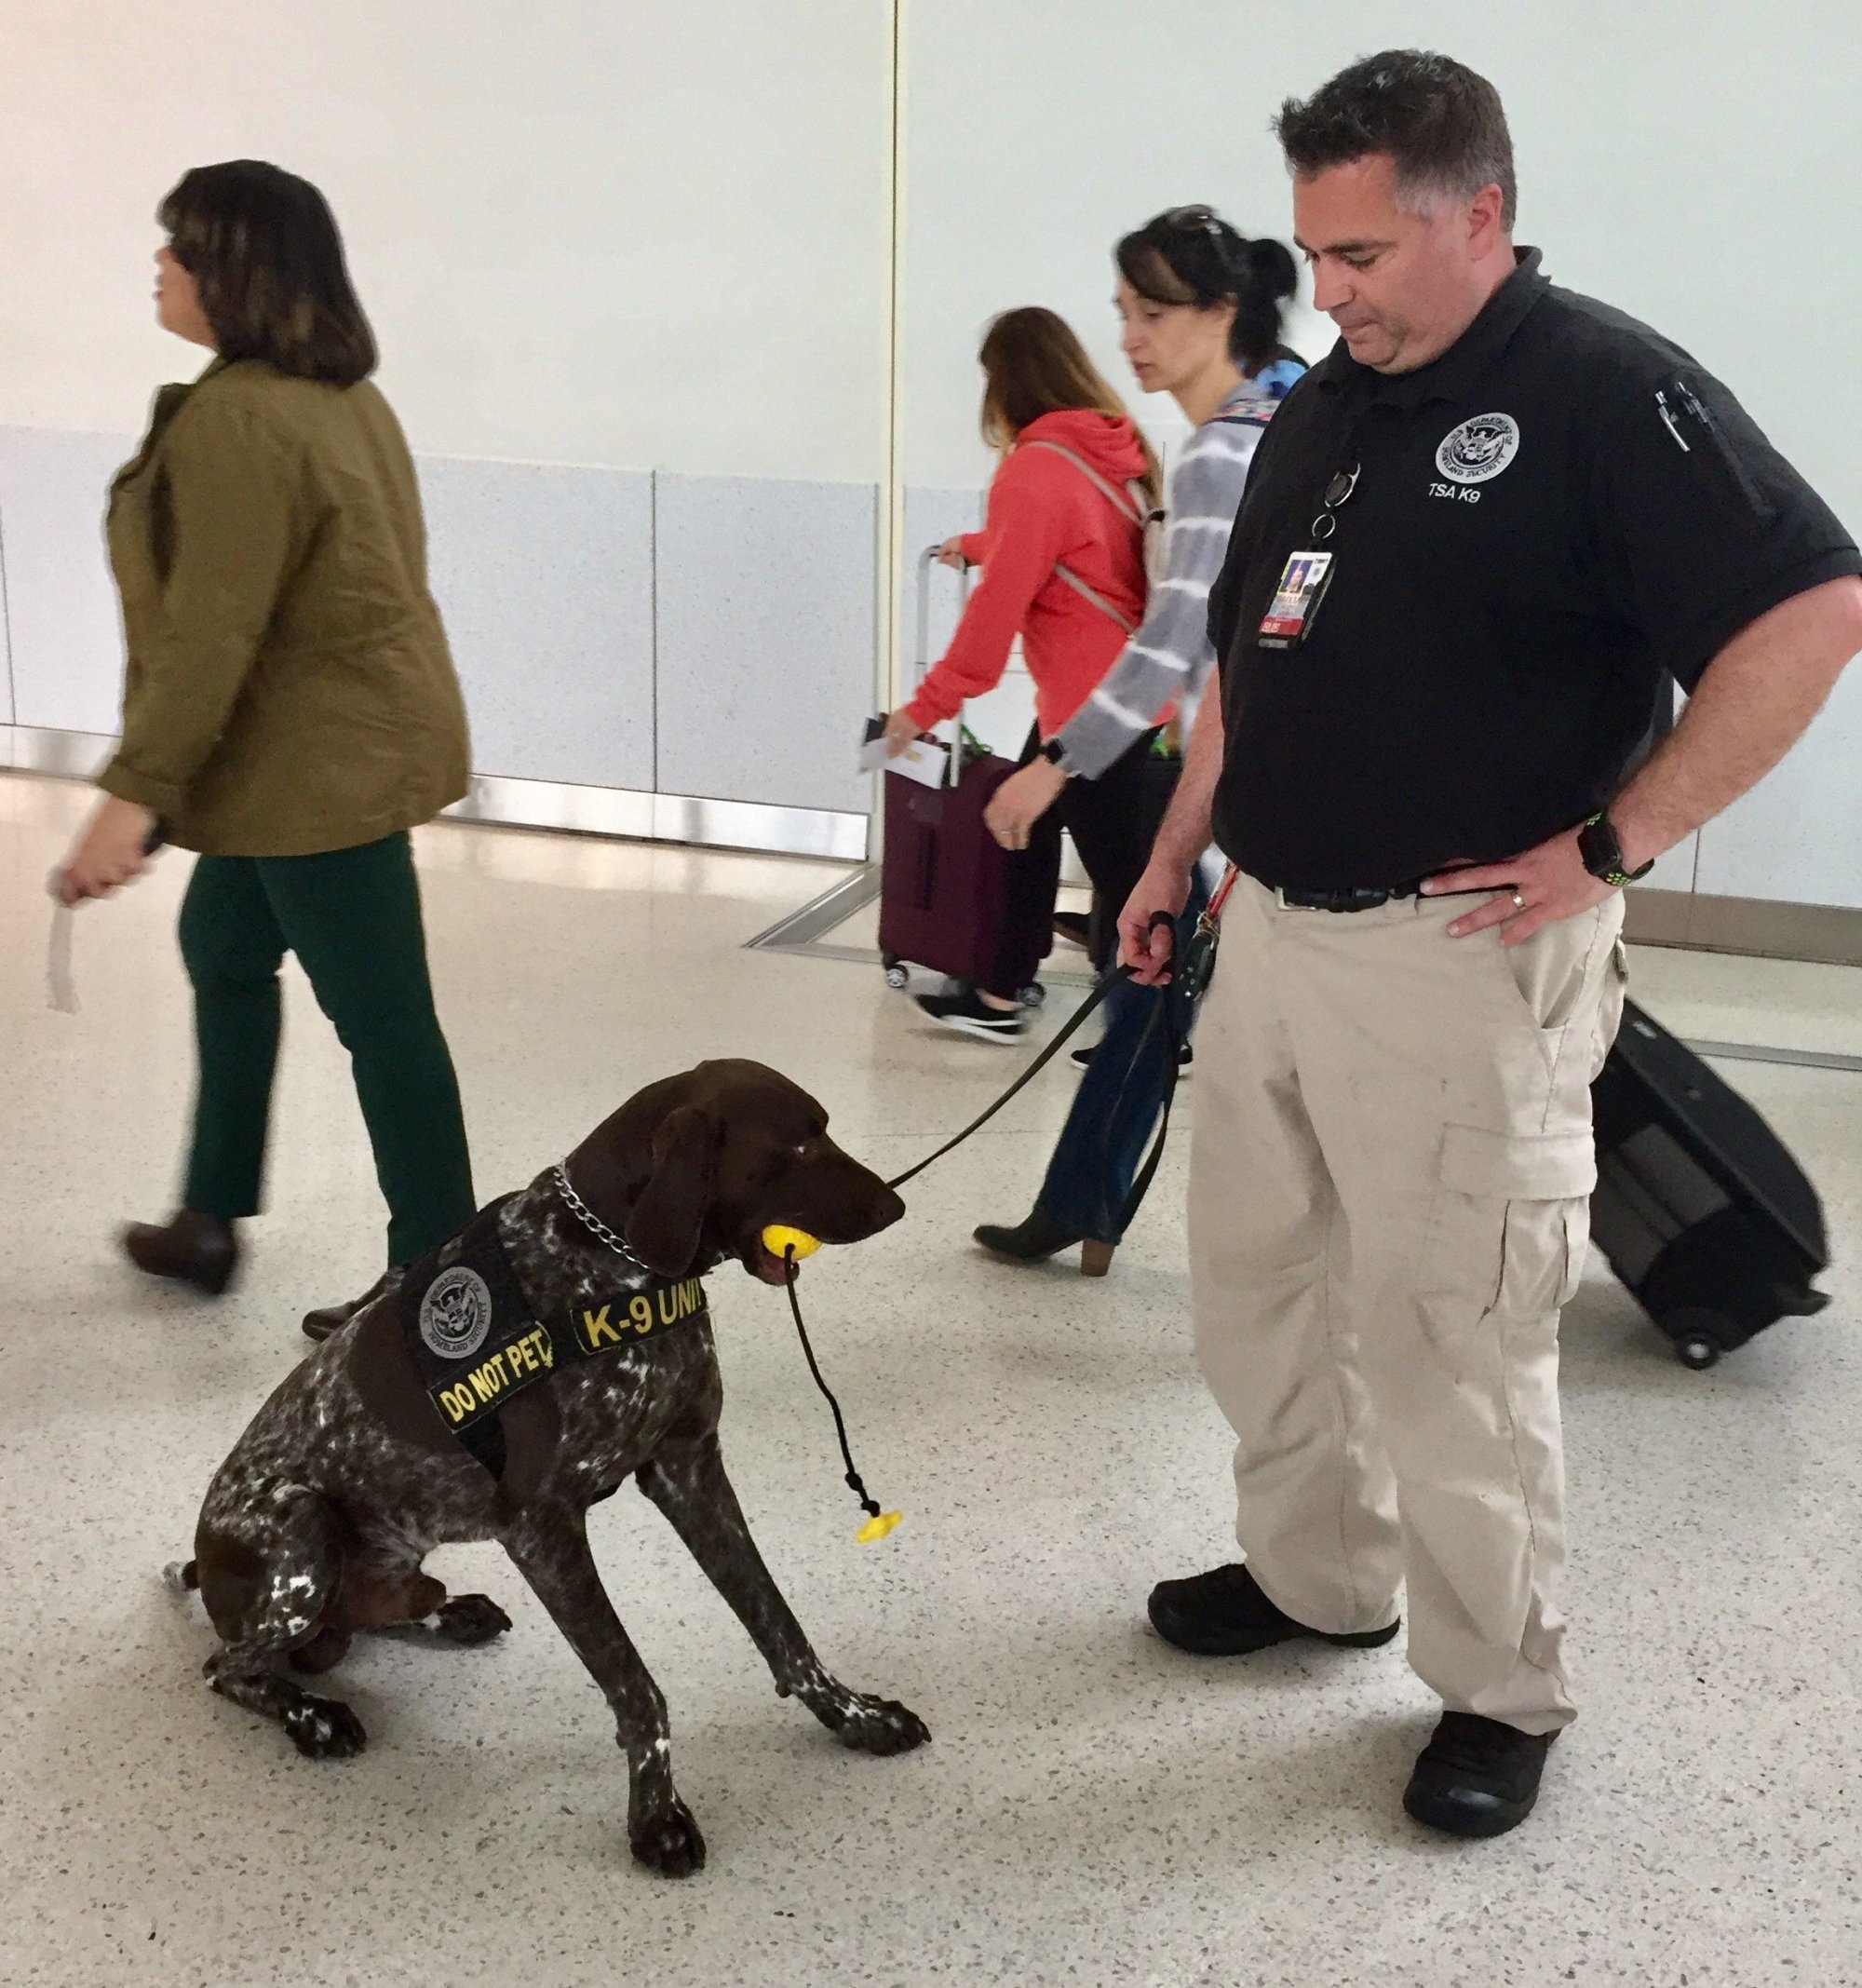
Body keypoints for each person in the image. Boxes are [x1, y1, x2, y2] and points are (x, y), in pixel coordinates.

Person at [1117, 51, 1862, 1840]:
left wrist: (1614, 844)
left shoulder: (1610, 392)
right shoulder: (1325, 401)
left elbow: (1813, 608)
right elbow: (1253, 659)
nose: (1335, 285)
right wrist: (1172, 855)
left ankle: (1499, 1686)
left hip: (1460, 960)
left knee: (1452, 1340)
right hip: (1276, 934)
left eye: (1365, 249)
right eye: (1319, 249)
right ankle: (1317, 1580)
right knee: (1264, 1295)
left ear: (1485, 215)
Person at [57, 160, 479, 1338]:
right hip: (297, 759)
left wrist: (127, 802)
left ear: (233, 272)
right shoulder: (333, 396)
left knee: (385, 1017)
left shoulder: (245, 418)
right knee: (221, 947)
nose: (160, 264)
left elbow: (211, 636)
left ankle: (443, 1284)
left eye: (179, 248)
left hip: (317, 774)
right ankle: (207, 1218)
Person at [972, 206, 1304, 1277]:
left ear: (1222, 313)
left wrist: (1052, 763)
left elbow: (1170, 638)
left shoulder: (1223, 447)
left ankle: (1101, 1205)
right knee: (1158, 972)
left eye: (1152, 312)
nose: (1127, 338)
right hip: (1291, 761)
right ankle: (1083, 1198)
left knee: (1174, 978)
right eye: (1121, 310)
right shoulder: (1300, 398)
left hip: (1262, 780)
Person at [881, 307, 1157, 1043]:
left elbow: (991, 623)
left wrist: (924, 707)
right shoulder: (1110, 446)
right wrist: (975, 544)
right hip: (1130, 690)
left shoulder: (1035, 468)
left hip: (1091, 709)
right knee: (1025, 824)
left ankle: (1159, 1030)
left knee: (1127, 875)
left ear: (1002, 384)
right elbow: (1072, 545)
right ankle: (1003, 990)